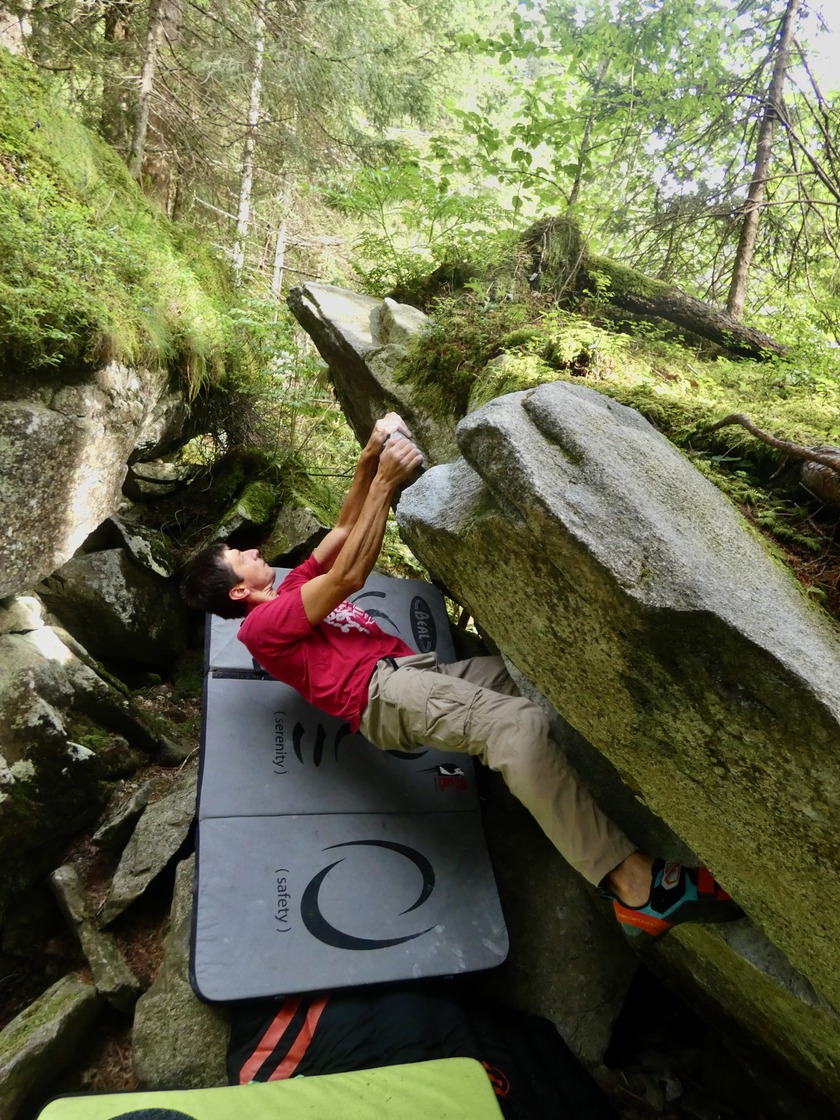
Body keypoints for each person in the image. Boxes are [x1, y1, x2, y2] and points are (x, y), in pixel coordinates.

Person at [181, 412, 742, 944]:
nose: (252, 549)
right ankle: (634, 886)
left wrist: (371, 455)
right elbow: (349, 574)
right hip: (381, 693)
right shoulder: (261, 627)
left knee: (535, 680)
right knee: (515, 727)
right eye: (238, 555)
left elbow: (346, 528)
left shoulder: (289, 585)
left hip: (419, 674)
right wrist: (386, 485)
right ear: (239, 590)